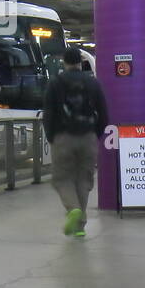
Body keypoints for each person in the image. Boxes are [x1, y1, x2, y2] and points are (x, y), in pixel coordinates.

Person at [42, 47, 109, 238]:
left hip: (63, 137)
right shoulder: (93, 83)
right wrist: (96, 134)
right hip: (87, 137)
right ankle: (80, 227)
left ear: (64, 62)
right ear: (81, 62)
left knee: (62, 178)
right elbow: (104, 113)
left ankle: (72, 209)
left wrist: (52, 136)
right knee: (83, 179)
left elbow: (49, 113)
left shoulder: (55, 83)